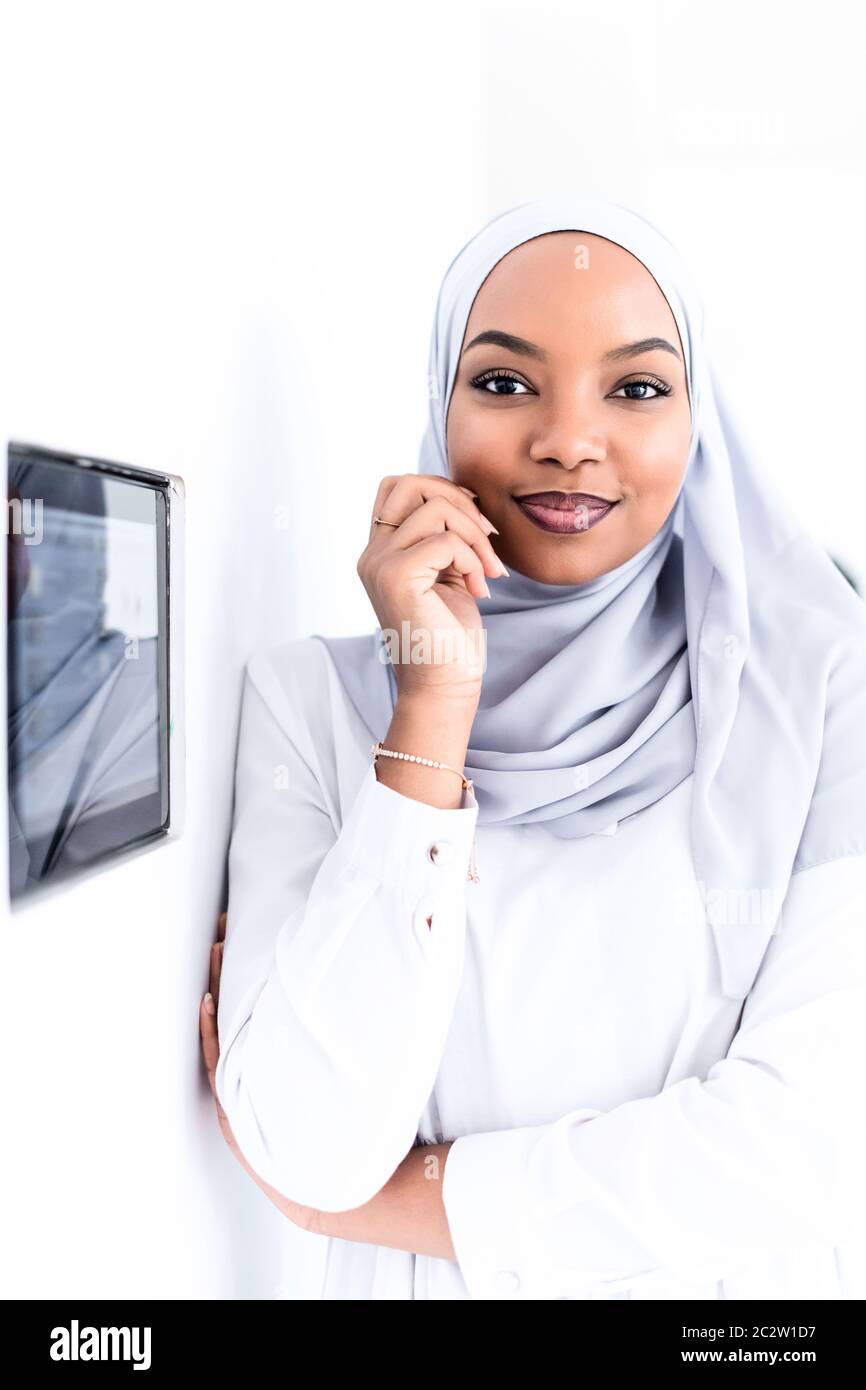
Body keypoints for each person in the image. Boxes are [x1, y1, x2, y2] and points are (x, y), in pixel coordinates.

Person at [200, 195, 866, 1300]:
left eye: (636, 387)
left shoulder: (822, 690)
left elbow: (801, 1151)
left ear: (698, 420)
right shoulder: (310, 702)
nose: (566, 438)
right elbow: (308, 1140)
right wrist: (429, 711)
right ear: (439, 399)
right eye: (504, 382)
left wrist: (383, 1205)